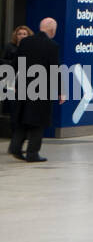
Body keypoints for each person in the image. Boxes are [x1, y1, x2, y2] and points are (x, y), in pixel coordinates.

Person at [7, 17, 62, 163]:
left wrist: (13, 83)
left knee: (22, 118)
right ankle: (32, 153)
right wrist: (60, 91)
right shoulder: (52, 45)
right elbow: (54, 70)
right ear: (52, 30)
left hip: (24, 86)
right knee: (39, 122)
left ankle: (15, 147)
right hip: (42, 88)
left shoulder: (25, 42)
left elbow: (15, 63)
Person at [2, 25, 32, 135]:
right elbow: (3, 61)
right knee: (14, 110)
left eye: (24, 34)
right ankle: (15, 134)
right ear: (16, 36)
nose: (22, 36)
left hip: (28, 83)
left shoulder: (32, 48)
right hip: (12, 81)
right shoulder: (10, 47)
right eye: (20, 34)